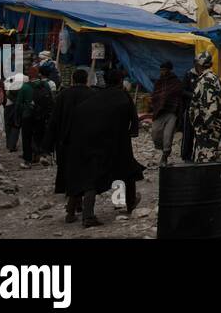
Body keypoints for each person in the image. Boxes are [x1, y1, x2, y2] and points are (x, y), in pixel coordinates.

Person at [65, 69, 143, 228]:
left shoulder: (94, 97)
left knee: (89, 177)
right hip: (117, 143)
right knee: (127, 171)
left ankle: (73, 212)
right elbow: (134, 125)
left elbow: (80, 116)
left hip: (90, 142)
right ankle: (128, 204)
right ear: (120, 81)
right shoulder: (123, 97)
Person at [49, 70, 92, 221]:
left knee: (70, 174)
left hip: (65, 143)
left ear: (73, 79)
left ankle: (73, 208)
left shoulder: (63, 96)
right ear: (87, 79)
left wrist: (48, 144)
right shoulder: (92, 95)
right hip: (87, 142)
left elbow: (54, 120)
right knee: (87, 175)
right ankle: (78, 209)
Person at [188, 51, 221, 162]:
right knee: (207, 158)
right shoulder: (215, 78)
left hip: (207, 128)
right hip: (209, 126)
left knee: (205, 161)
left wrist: (207, 128)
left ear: (199, 65)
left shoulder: (206, 80)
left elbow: (210, 106)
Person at [148, 61, 184, 166]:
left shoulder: (176, 82)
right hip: (159, 112)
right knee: (155, 133)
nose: (162, 72)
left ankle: (165, 157)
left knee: (168, 137)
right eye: (161, 70)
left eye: (164, 70)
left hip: (172, 113)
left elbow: (178, 95)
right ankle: (162, 150)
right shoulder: (158, 83)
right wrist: (155, 101)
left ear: (169, 70)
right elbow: (155, 95)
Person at [16, 66, 53, 166]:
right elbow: (50, 100)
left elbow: (18, 105)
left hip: (27, 116)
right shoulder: (45, 85)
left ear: (28, 75)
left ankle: (27, 161)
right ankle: (42, 155)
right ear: (38, 74)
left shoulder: (25, 87)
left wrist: (21, 112)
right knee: (40, 135)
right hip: (41, 115)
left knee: (27, 138)